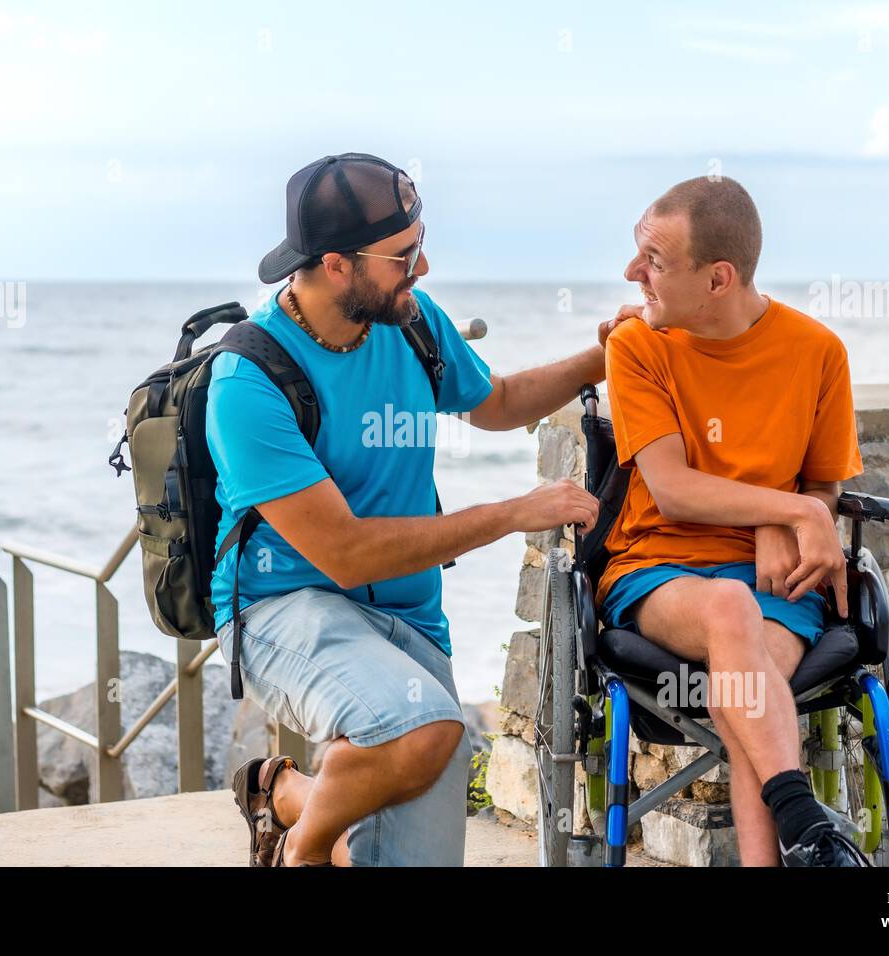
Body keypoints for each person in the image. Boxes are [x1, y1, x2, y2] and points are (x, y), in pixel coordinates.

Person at [209, 152, 625, 866]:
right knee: (423, 728)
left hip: (406, 616)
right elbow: (346, 552)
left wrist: (599, 359)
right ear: (337, 264)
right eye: (405, 255)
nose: (424, 269)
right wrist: (511, 512)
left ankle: (287, 801)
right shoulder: (247, 381)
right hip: (283, 608)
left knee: (413, 824)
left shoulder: (410, 322)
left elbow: (495, 402)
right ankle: (301, 850)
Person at [599, 175, 869, 866]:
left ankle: (787, 847)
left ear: (718, 278)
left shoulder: (817, 353)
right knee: (728, 610)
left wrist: (791, 517)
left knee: (747, 697)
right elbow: (675, 491)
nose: (634, 274)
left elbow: (823, 487)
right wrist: (789, 510)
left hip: (775, 582)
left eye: (654, 260)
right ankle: (805, 819)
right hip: (659, 571)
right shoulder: (638, 346)